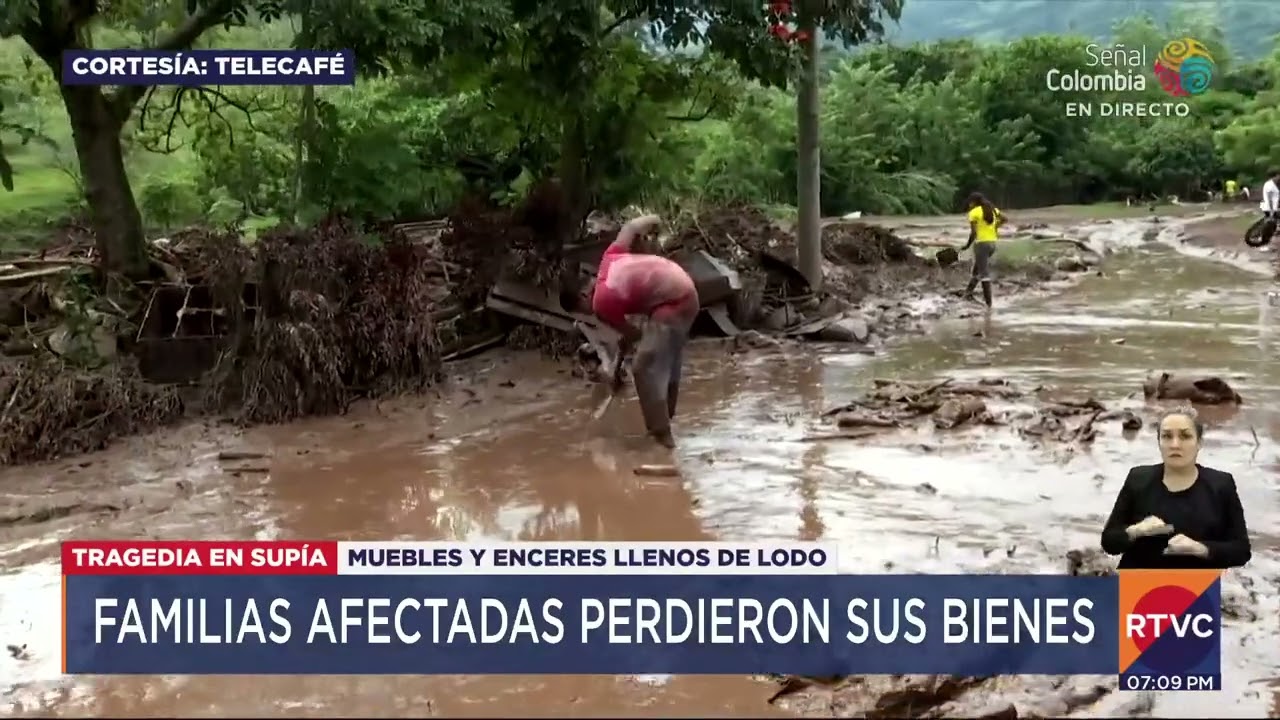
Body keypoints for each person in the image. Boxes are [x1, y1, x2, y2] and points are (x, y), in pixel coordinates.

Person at [560, 215, 699, 449]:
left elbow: (634, 335)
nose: (588, 313)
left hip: (673, 303)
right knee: (666, 356)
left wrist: (618, 362)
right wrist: (655, 219)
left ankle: (660, 437)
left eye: (582, 311)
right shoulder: (609, 258)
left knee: (643, 367)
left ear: (584, 296)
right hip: (685, 288)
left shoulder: (600, 303)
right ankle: (666, 419)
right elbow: (632, 227)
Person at [1100, 407, 1251, 569]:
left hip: (1195, 587)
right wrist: (1135, 531)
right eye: (1166, 436)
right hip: (1139, 586)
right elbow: (1109, 543)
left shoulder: (1221, 484)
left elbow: (1241, 551)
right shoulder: (1138, 478)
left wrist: (1200, 549)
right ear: (1159, 442)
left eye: (1185, 436)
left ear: (1199, 442)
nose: (1175, 444)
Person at [960, 192, 1003, 308]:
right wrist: (995, 228)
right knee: (976, 271)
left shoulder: (974, 212)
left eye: (970, 203)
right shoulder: (993, 210)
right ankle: (967, 293)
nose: (969, 205)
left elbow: (973, 233)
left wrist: (967, 245)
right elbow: (1004, 219)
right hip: (992, 244)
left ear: (973, 202)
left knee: (984, 274)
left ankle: (989, 304)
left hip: (981, 245)